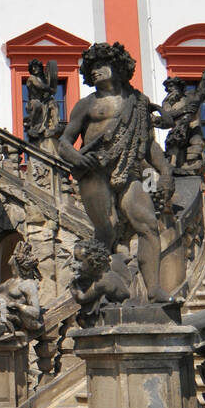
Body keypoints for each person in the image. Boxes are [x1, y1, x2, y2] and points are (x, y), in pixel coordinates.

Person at [56, 41, 175, 303]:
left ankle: (153, 288)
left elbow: (148, 144)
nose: (96, 71)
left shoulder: (138, 102)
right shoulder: (87, 104)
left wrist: (164, 170)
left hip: (130, 168)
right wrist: (77, 157)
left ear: (117, 67)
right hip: (95, 171)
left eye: (102, 65)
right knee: (107, 230)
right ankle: (98, 286)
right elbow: (63, 142)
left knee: (148, 225)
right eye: (93, 68)